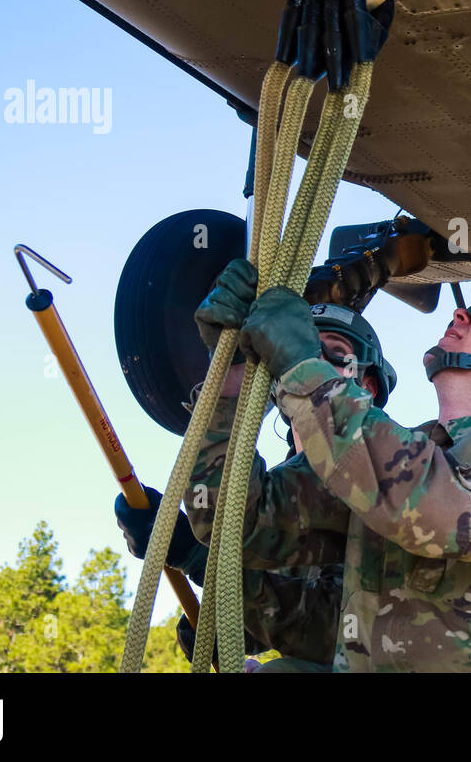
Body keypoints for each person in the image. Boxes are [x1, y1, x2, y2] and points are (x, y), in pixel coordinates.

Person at [188, 275, 471, 670]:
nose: (461, 314)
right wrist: (233, 374)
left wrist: (303, 366)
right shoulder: (408, 455)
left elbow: (430, 508)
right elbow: (238, 524)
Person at [113, 259, 394, 669]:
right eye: (295, 349)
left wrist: (195, 556)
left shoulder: (392, 470)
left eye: (332, 355)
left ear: (367, 385)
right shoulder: (283, 493)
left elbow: (340, 628)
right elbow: (269, 606)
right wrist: (215, 625)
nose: (303, 361)